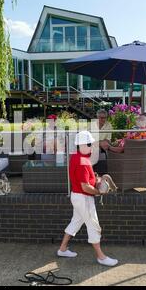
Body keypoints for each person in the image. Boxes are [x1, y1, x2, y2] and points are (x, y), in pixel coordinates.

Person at [57, 131, 118, 267]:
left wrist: (96, 179)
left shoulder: (77, 156)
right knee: (94, 226)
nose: (92, 147)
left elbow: (84, 180)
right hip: (84, 198)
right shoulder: (82, 161)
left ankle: (62, 249)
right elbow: (85, 187)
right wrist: (98, 192)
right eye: (90, 144)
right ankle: (101, 257)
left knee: (75, 222)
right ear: (82, 145)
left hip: (77, 197)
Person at [93, 109, 113, 174]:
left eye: (105, 118)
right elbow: (90, 140)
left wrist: (99, 143)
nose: (103, 119)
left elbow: (108, 140)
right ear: (97, 118)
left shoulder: (109, 125)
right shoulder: (92, 125)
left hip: (103, 147)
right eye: (101, 118)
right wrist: (100, 142)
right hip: (93, 146)